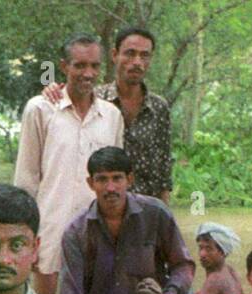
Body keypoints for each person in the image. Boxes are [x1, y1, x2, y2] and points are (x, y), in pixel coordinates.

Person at [58, 146, 195, 294]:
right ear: (91, 183)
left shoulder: (155, 214)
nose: (110, 188)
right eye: (102, 180)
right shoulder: (76, 232)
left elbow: (183, 266)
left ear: (129, 180)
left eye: (117, 178)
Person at [14, 34, 124, 294]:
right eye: (80, 65)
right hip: (49, 227)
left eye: (95, 66)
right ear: (64, 66)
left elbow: (116, 181)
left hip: (97, 229)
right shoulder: (40, 109)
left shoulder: (111, 116)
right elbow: (26, 178)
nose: (88, 74)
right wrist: (25, 232)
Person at [43, 26, 173, 203]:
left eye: (144, 55)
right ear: (114, 55)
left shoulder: (159, 107)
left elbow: (164, 169)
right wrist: (51, 89)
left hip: (145, 210)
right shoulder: (93, 100)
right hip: (105, 207)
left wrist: (164, 216)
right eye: (130, 53)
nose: (137, 61)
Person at [193, 222, 243, 294]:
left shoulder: (215, 279)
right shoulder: (231, 272)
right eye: (200, 248)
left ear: (223, 252)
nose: (202, 254)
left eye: (209, 249)